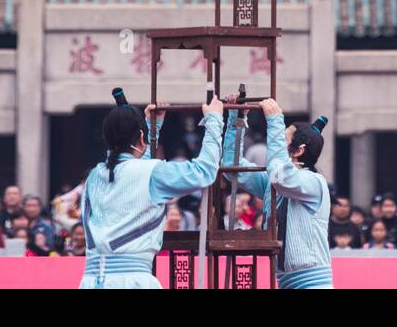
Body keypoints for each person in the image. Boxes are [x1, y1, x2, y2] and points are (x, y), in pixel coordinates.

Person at [78, 90, 223, 288]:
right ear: (140, 136)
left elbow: (135, 174)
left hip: (91, 281)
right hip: (133, 281)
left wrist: (151, 128)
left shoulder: (95, 175)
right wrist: (214, 120)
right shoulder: (150, 172)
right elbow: (204, 171)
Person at [222, 98, 334, 289]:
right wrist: (237, 120)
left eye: (282, 140)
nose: (275, 145)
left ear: (299, 150)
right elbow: (232, 168)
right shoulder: (275, 183)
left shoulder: (313, 182)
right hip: (286, 283)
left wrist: (274, 121)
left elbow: (280, 175)